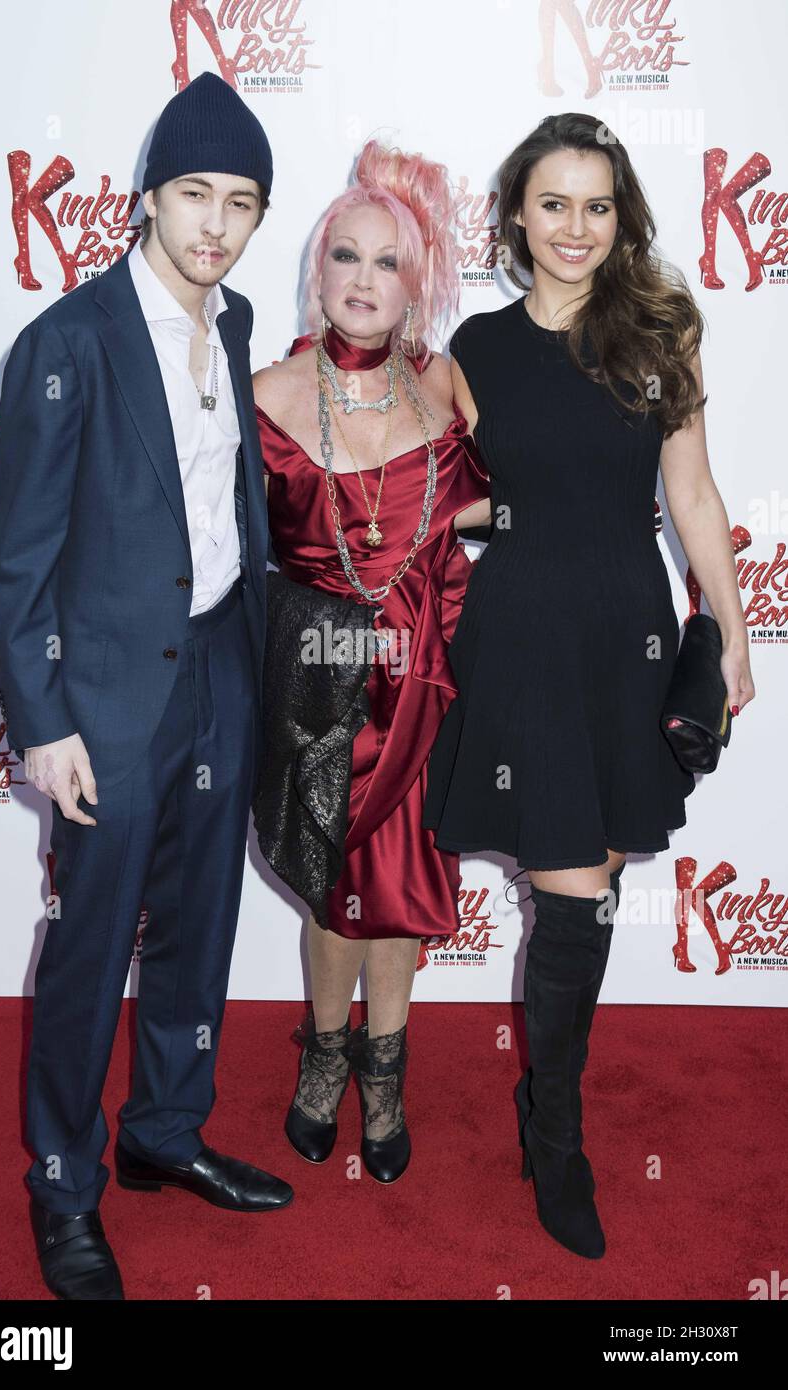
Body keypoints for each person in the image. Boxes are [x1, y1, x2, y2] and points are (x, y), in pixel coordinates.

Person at [422, 113, 755, 1257]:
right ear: (517, 213)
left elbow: (694, 496)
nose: (575, 227)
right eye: (553, 203)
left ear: (623, 216)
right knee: (570, 894)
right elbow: (453, 497)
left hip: (628, 637)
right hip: (519, 635)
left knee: (595, 885)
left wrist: (739, 632)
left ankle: (545, 1106)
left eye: (597, 205)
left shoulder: (661, 330)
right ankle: (556, 1137)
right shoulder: (477, 344)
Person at [0, 72, 292, 1302]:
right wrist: (45, 719)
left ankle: (166, 1128)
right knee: (90, 942)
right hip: (108, 691)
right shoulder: (66, 342)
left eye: (242, 202)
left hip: (220, 660)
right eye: (195, 196)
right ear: (147, 198)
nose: (216, 224)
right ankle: (64, 1179)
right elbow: (17, 560)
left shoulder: (237, 318)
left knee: (200, 922)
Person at [251, 142, 491, 1185]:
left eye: (387, 261)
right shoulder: (264, 393)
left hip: (428, 676)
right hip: (316, 687)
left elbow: (504, 503)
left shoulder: (446, 388)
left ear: (417, 277)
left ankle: (383, 1074)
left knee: (401, 884)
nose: (362, 278)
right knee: (330, 888)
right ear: (319, 269)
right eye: (344, 255)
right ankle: (325, 1057)